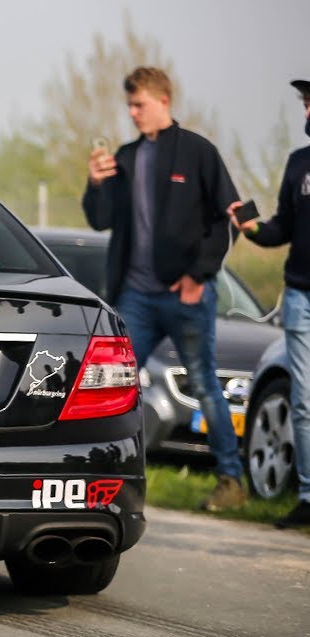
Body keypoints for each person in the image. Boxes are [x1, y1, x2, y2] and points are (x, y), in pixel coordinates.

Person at [82, 66, 246, 511]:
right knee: (108, 381)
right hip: (134, 296)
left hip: (186, 294)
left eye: (140, 105)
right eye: (130, 106)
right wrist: (96, 183)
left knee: (204, 384)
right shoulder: (127, 156)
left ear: (163, 102)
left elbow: (225, 222)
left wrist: (199, 276)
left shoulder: (198, 153)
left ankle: (231, 481)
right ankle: (108, 474)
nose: (133, 113)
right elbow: (100, 219)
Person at [231, 77, 310, 528]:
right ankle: (308, 495)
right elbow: (282, 228)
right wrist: (253, 229)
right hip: (300, 297)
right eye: (304, 104)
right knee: (303, 401)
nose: (306, 114)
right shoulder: (298, 164)